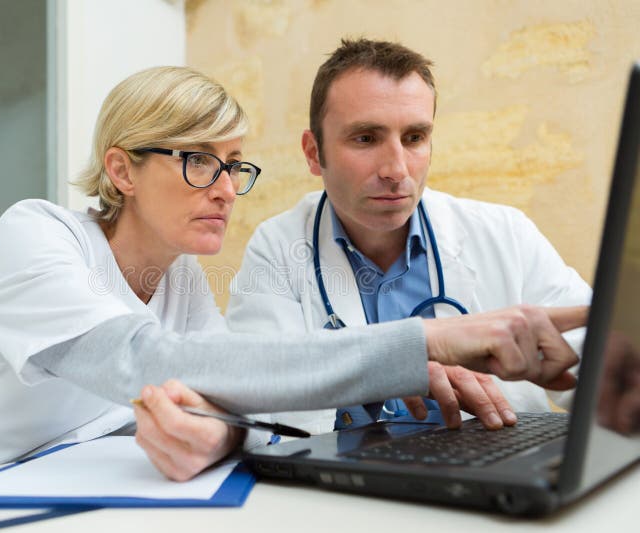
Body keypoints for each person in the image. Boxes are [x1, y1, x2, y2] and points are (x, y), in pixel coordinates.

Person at [0, 65, 582, 497]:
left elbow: (237, 392)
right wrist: (428, 342)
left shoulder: (183, 284)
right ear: (121, 169)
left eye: (233, 165)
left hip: (45, 502)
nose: (228, 189)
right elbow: (139, 359)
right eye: (200, 161)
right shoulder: (38, 234)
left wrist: (217, 433)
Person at [134, 40, 591, 481]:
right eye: (366, 138)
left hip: (498, 475)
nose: (396, 169)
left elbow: (601, 364)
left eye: (415, 137)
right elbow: (259, 399)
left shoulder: (505, 234)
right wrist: (395, 364)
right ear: (314, 153)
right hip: (352, 492)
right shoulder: (278, 247)